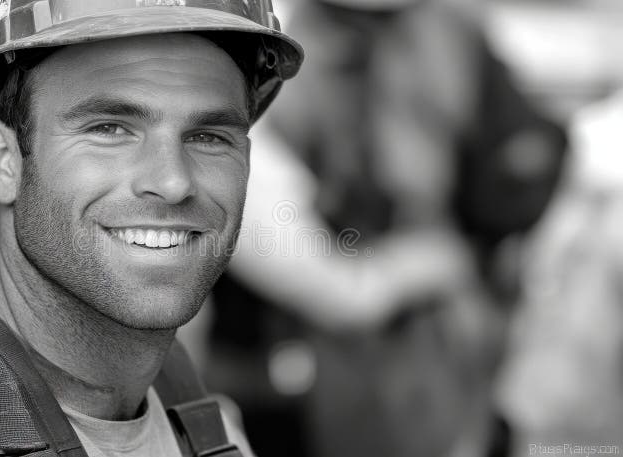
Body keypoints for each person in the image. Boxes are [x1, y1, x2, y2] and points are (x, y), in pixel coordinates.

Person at [0, 0, 303, 455]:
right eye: (109, 129)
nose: (173, 182)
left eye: (209, 136)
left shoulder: (188, 404)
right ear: (4, 161)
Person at [207, 0, 566, 456]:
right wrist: (436, 261)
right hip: (290, 385)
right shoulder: (253, 133)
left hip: (425, 372)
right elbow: (339, 291)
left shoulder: (451, 49)